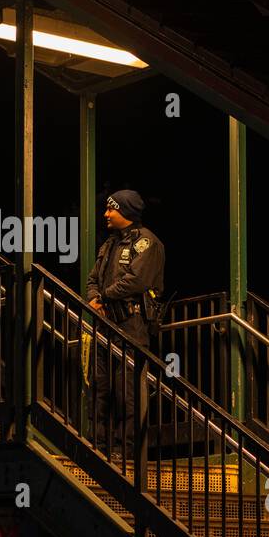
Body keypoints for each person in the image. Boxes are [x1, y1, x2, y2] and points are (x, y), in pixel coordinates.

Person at [86, 189, 166, 463]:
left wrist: (104, 296)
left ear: (127, 212)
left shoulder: (147, 243)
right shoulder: (109, 244)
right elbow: (92, 279)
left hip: (132, 326)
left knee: (127, 393)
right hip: (105, 325)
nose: (106, 214)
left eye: (112, 209)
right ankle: (97, 443)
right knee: (100, 387)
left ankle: (126, 450)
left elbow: (137, 281)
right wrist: (94, 299)